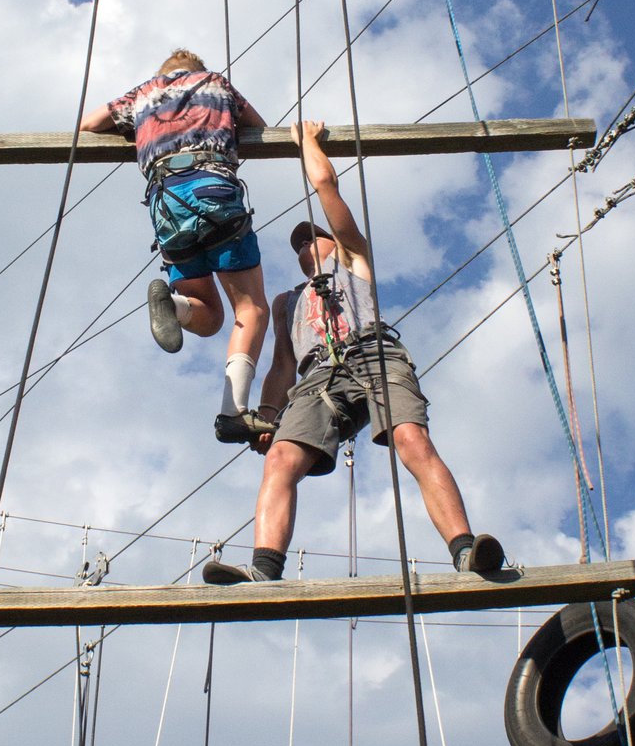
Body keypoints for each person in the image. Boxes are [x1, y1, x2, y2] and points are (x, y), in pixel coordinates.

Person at [202, 119, 505, 585]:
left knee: (411, 440)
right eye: (298, 244)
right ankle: (264, 569)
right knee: (281, 459)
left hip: (374, 355)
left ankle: (465, 551)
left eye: (312, 236)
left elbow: (325, 186)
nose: (305, 244)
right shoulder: (287, 302)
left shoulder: (353, 259)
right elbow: (283, 364)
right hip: (316, 376)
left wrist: (306, 142)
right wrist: (267, 412)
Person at [79, 50, 272, 444]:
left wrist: (140, 129)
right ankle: (232, 413)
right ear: (196, 70)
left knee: (211, 317)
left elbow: (89, 123)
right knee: (251, 307)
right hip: (213, 190)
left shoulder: (143, 93)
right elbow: (259, 127)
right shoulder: (214, 83)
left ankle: (176, 306)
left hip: (165, 202)